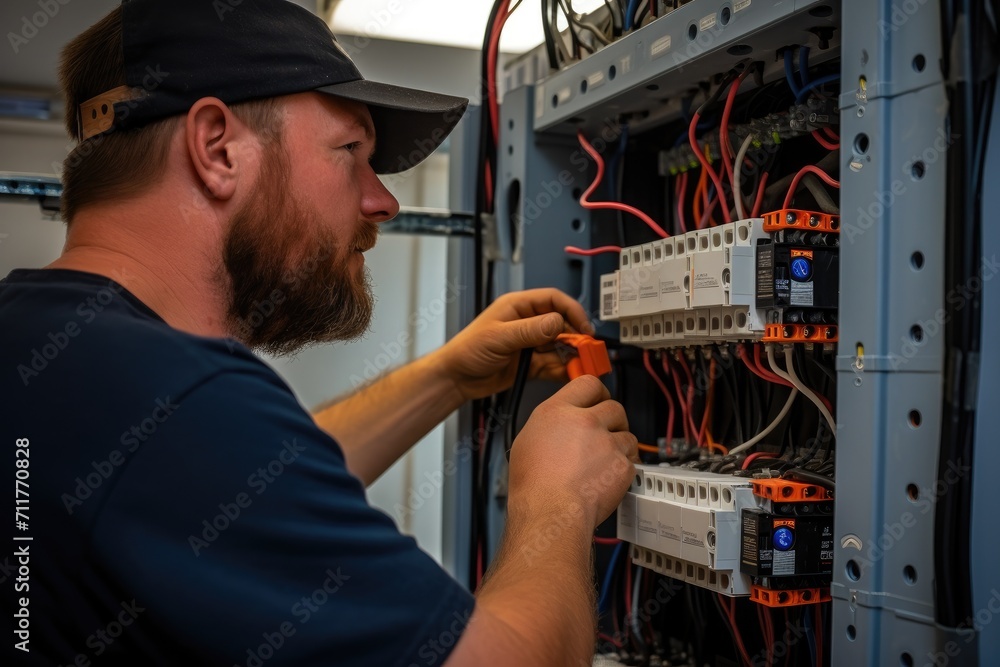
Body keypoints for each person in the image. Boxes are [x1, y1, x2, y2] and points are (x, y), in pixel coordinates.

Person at [0, 1, 637, 665]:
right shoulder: (179, 403)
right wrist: (556, 502)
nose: (383, 200)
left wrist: (447, 377)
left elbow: (232, 488)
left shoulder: (42, 343)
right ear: (217, 148)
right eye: (350, 152)